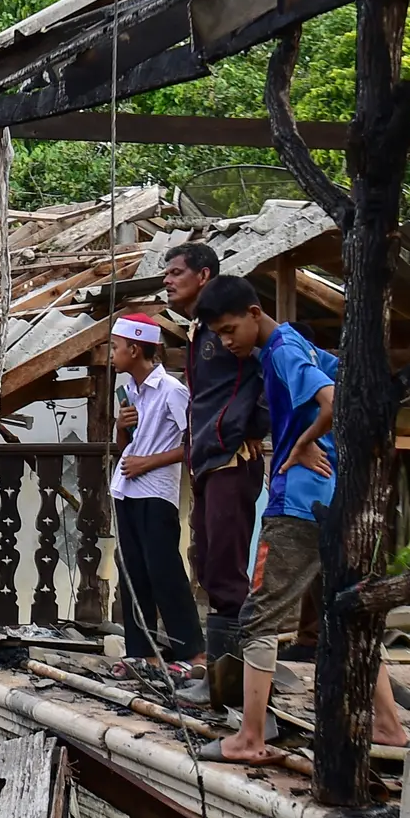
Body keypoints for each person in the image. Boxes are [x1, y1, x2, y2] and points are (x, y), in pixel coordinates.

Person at [191, 274, 406, 764]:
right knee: (348, 612)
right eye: (218, 336)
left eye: (229, 330)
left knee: (260, 615)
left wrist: (306, 442)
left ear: (253, 312)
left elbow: (332, 404)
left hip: (298, 502)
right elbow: (348, 393)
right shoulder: (297, 346)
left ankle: (249, 737)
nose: (227, 342)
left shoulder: (285, 348)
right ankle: (389, 725)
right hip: (335, 498)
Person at [159, 241, 269, 701]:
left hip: (231, 459)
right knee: (208, 564)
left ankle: (239, 685)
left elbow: (274, 377)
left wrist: (247, 429)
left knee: (226, 571)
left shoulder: (230, 331)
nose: (167, 279)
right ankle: (222, 679)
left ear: (204, 277)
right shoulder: (199, 334)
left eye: (176, 271)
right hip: (207, 461)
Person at [108, 313, 203, 670]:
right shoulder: (129, 391)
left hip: (155, 492)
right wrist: (120, 427)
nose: (111, 354)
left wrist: (147, 463)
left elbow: (193, 442)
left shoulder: (172, 391)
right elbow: (125, 449)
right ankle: (142, 651)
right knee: (132, 571)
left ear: (135, 349)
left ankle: (192, 652)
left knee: (164, 569)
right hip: (126, 490)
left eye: (115, 348)